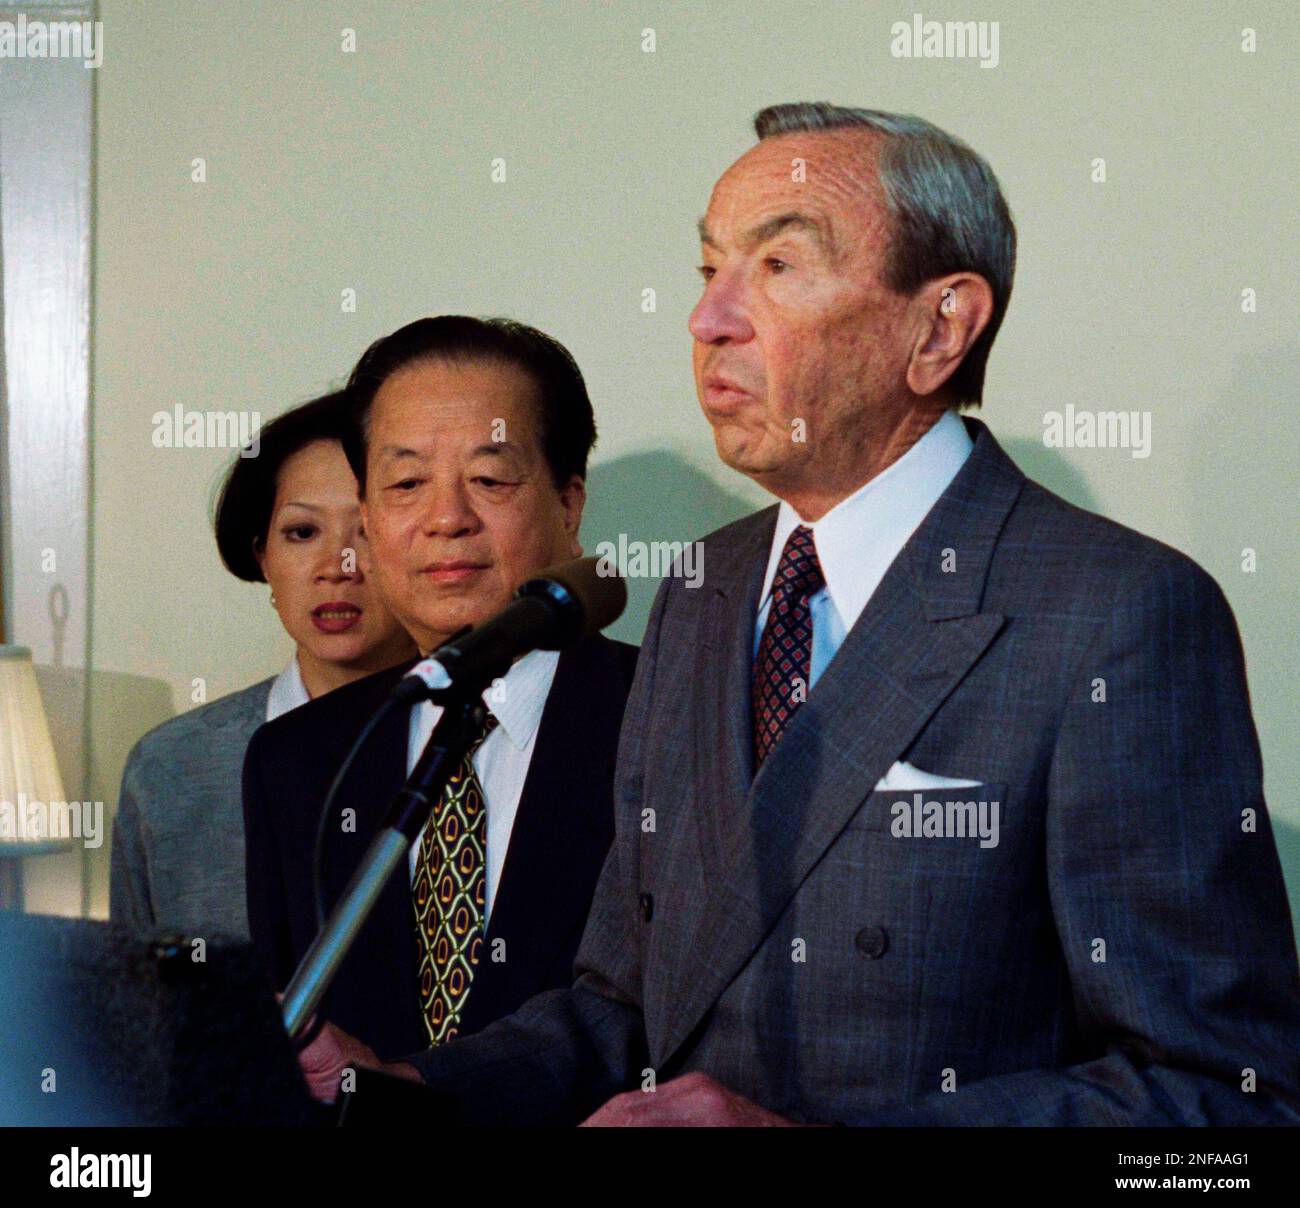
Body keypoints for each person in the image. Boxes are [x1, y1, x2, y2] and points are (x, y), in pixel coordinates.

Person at [295, 104, 1300, 1126]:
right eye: (706, 272)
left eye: (776, 267)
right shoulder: (701, 589)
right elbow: (622, 1005)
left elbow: (1223, 1095)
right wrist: (405, 1088)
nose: (708, 321)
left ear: (940, 325)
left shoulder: (1112, 613)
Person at [242, 316, 638, 1060]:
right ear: (368, 517)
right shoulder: (296, 759)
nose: (446, 519)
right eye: (406, 483)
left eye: (489, 479)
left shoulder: (668, 716)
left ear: (569, 503)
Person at [109, 392, 416, 937]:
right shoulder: (171, 769)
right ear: (263, 557)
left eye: (365, 532)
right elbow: (142, 1005)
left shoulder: (479, 743)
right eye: (302, 533)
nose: (336, 567)